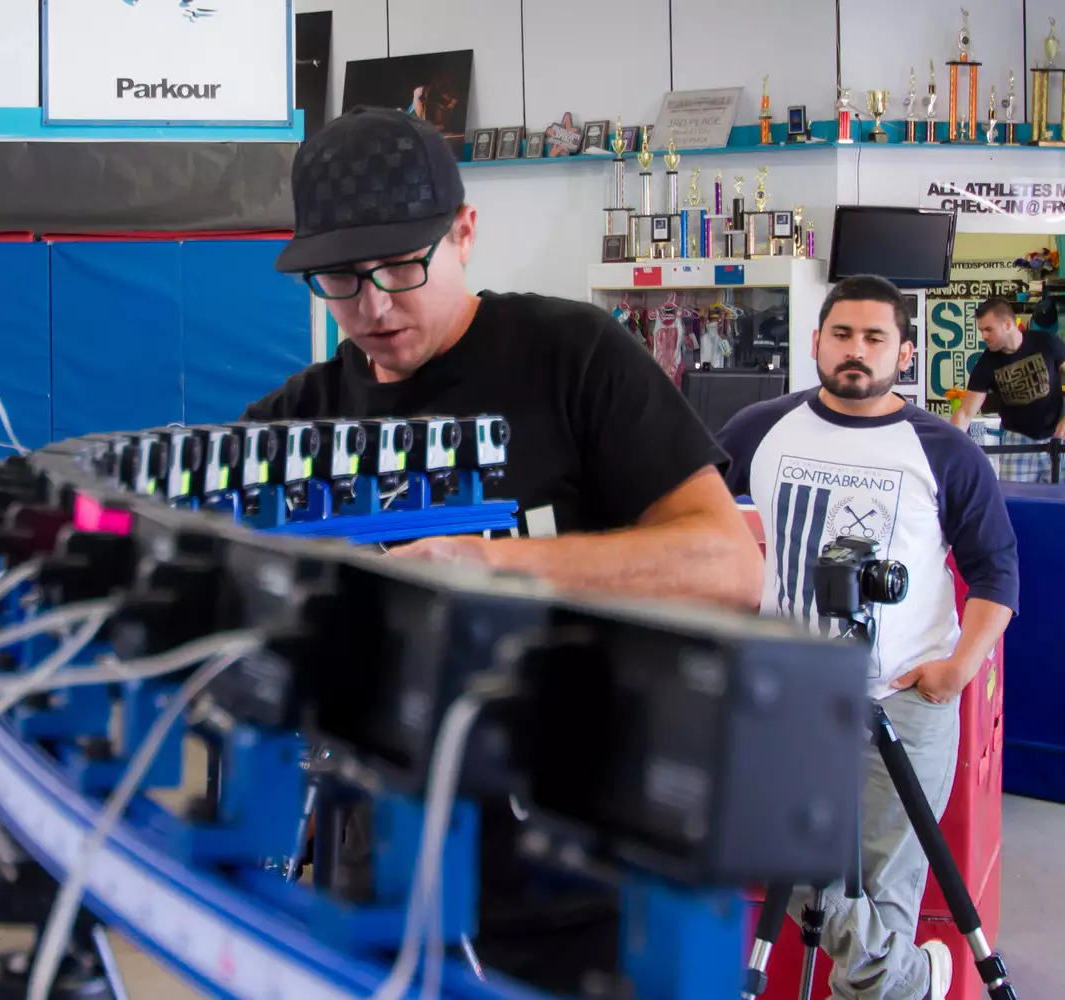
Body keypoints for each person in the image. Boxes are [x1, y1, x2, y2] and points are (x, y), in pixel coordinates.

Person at [241, 105, 764, 992]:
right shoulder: (304, 416)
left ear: (465, 233)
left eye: (401, 267)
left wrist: (492, 565)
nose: (371, 307)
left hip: (585, 889)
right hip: (375, 883)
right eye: (337, 279)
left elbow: (728, 569)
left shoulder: (571, 357)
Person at [717, 275, 1019, 1000]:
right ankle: (913, 979)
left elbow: (997, 572)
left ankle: (887, 982)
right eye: (842, 335)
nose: (856, 351)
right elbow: (692, 518)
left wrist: (957, 668)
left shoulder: (944, 451)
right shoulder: (758, 428)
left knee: (885, 883)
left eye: (874, 337)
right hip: (786, 693)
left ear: (904, 352)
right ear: (816, 341)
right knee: (777, 846)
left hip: (905, 698)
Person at [950, 296, 1065, 482]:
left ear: (1008, 324)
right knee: (1015, 504)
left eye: (988, 329)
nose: (984, 336)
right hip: (1017, 441)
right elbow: (964, 413)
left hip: (1058, 437)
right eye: (981, 330)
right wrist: (948, 448)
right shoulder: (986, 363)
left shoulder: (1047, 342)